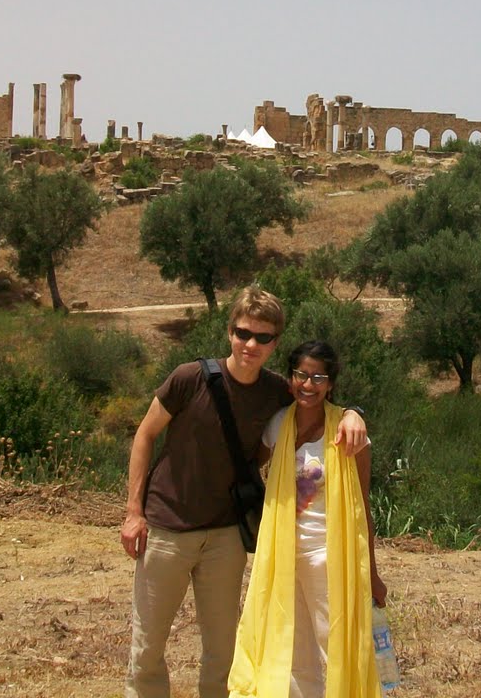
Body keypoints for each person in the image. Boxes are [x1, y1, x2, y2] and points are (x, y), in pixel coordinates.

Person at [121, 287, 367, 698]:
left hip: (225, 537)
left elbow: (319, 395)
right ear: (229, 332)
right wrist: (134, 512)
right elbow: (144, 435)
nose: (251, 344)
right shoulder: (189, 378)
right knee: (147, 649)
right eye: (243, 333)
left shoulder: (275, 391)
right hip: (165, 528)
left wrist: (358, 412)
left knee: (224, 653)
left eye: (263, 337)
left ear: (275, 343)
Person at [229, 341, 385, 698]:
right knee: (293, 650)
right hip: (282, 555)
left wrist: (372, 574)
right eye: (301, 374)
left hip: (329, 556)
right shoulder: (278, 425)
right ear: (290, 378)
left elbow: (362, 507)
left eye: (318, 377)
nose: (309, 384)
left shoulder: (350, 433)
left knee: (338, 644)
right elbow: (251, 465)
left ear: (330, 384)